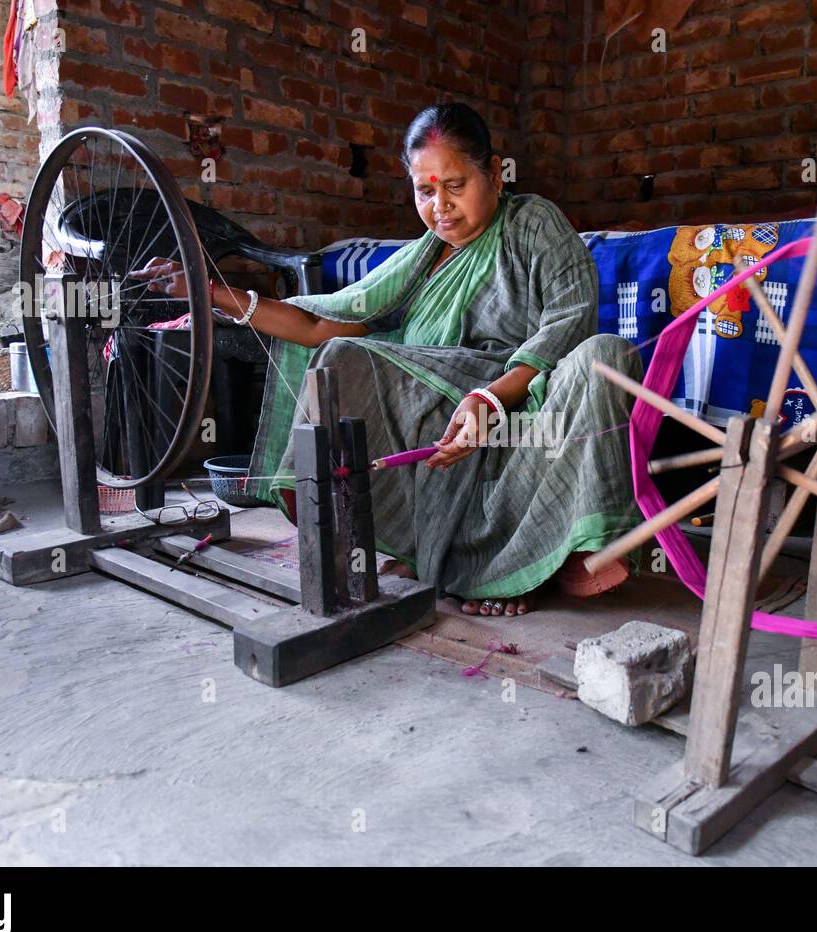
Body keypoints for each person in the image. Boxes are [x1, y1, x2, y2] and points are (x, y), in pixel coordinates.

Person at [136, 102, 642, 617]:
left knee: (606, 355)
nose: (440, 206)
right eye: (426, 191)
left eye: (456, 184)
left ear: (493, 173)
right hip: (439, 431)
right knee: (343, 357)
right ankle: (401, 542)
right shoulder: (424, 254)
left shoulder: (531, 222)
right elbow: (317, 324)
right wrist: (209, 289)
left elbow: (571, 318)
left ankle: (532, 562)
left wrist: (490, 397)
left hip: (520, 418)